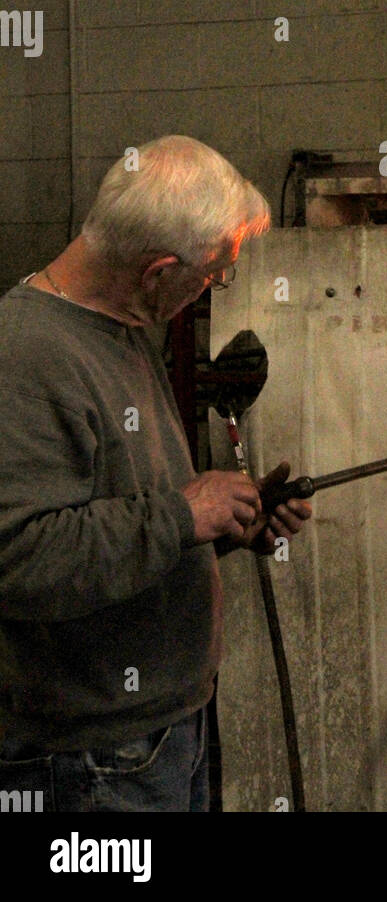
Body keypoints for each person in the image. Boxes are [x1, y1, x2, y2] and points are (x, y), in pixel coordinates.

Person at [0, 135, 312, 812]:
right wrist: (182, 513)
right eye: (212, 275)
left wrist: (227, 521)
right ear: (159, 269)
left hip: (159, 732)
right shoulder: (26, 355)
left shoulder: (116, 329)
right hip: (92, 759)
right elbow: (18, 557)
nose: (213, 287)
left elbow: (125, 514)